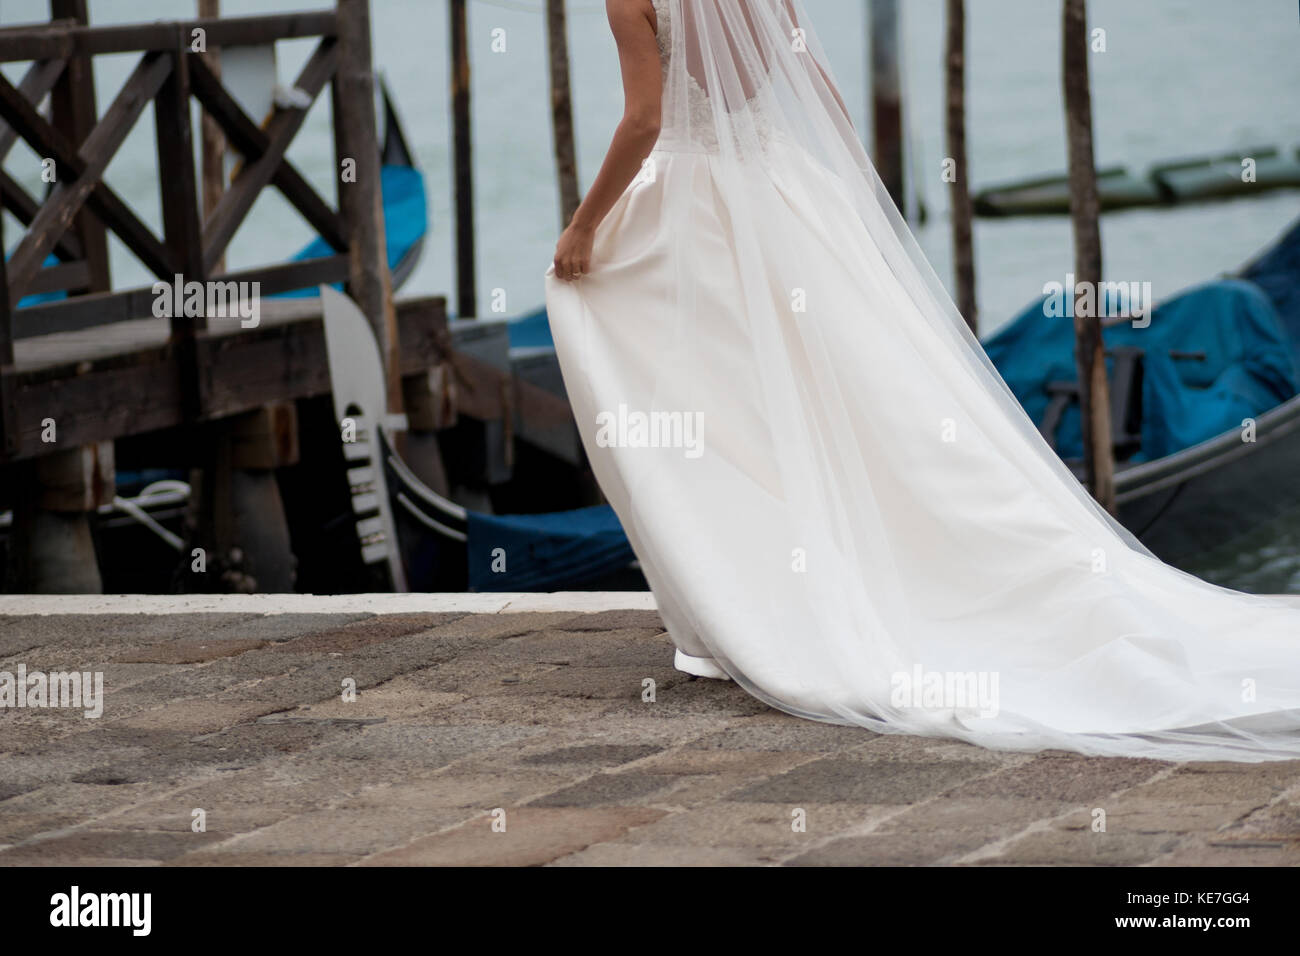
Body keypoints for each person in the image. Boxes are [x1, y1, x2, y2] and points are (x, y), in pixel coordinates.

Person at [544, 0, 1300, 761]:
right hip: (784, 194)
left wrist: (583, 226)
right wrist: (849, 215)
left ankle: (737, 604)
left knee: (684, 385)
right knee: (815, 396)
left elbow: (645, 122)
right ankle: (772, 595)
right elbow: (823, 100)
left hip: (694, 213)